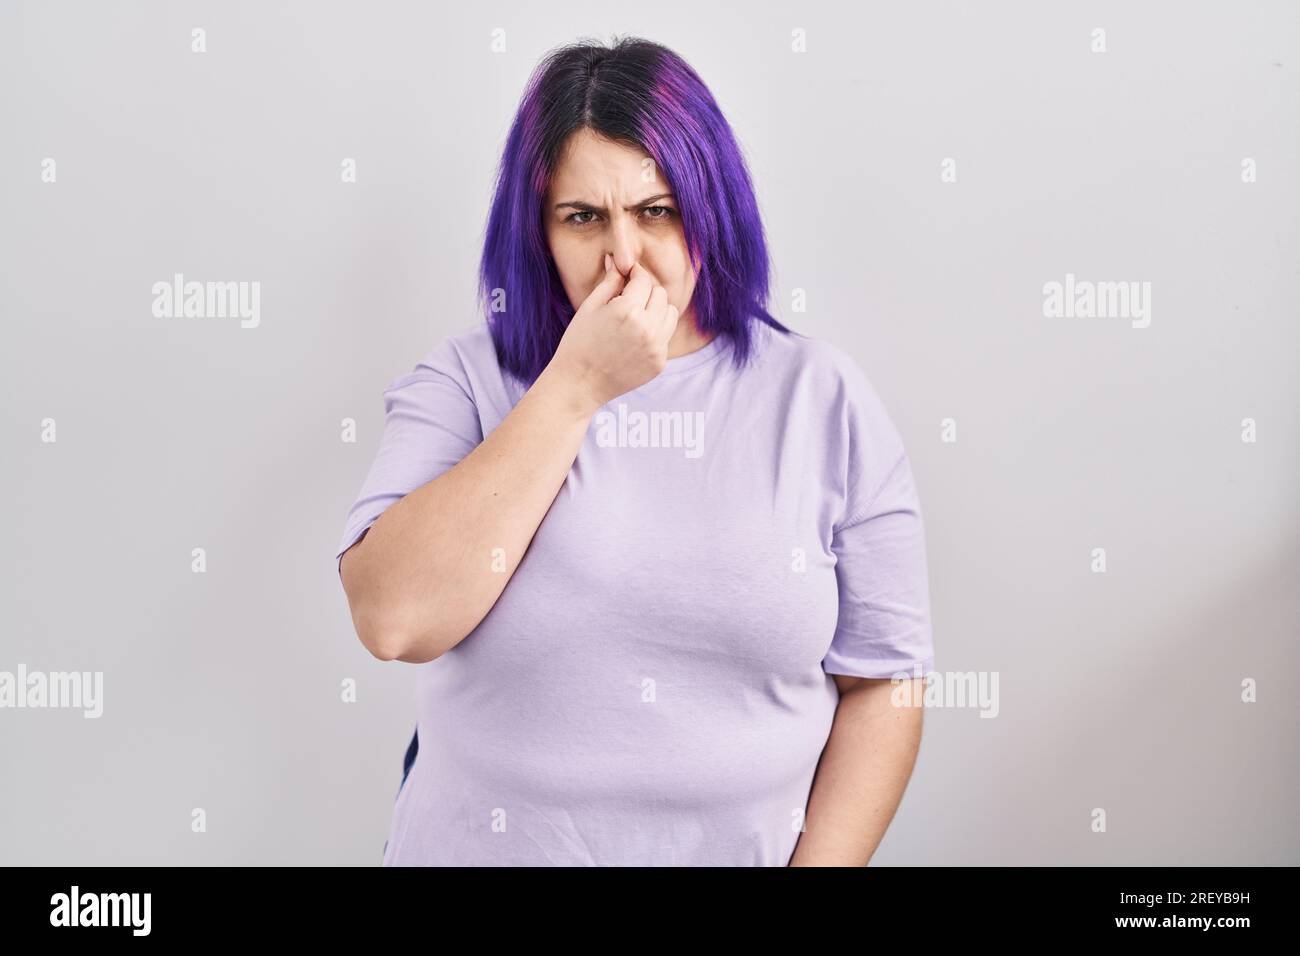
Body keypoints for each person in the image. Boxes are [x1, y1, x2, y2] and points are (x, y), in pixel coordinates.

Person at [335, 35, 934, 866]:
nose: (624, 255)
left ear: (709, 211)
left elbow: (886, 681)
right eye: (582, 217)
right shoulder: (466, 382)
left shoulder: (822, 399)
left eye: (657, 211)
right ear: (538, 231)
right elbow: (392, 619)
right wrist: (576, 385)